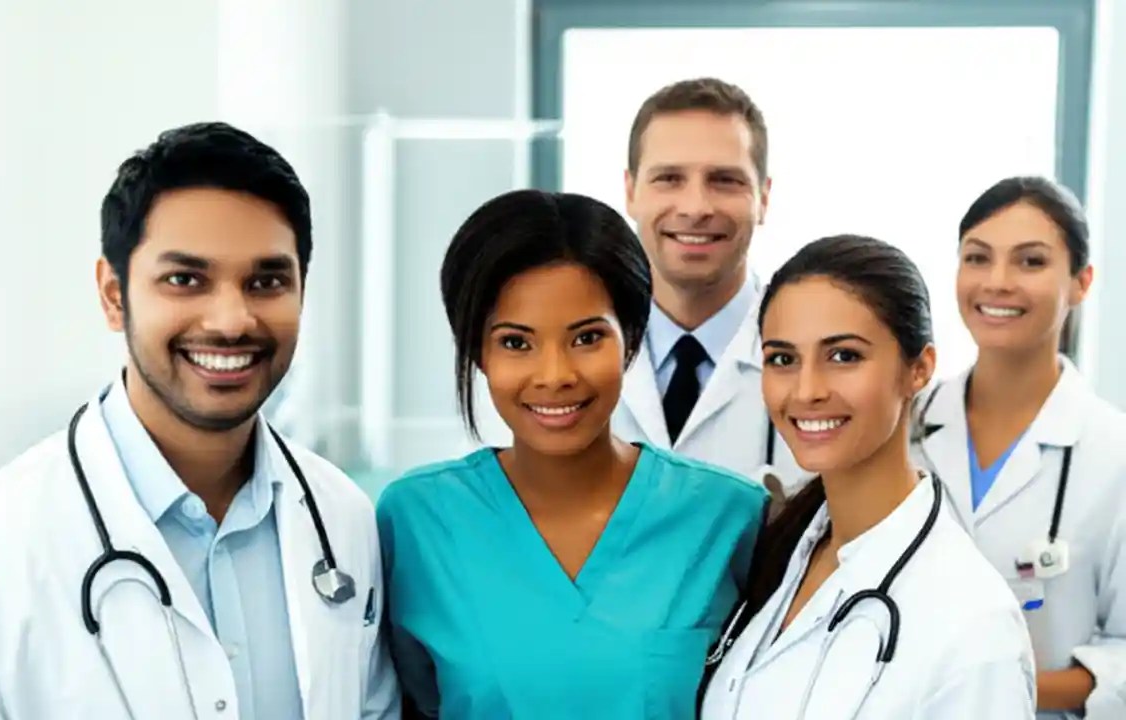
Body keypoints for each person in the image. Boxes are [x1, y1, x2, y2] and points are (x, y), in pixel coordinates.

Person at [0, 123, 399, 720]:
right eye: (185, 280)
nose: (232, 319)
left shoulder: (342, 522)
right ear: (114, 296)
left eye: (266, 281)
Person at [377, 189, 767, 719]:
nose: (555, 375)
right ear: (476, 353)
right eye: (516, 343)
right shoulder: (416, 520)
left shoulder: (728, 518)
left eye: (586, 338)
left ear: (631, 342)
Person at [700, 235, 1035, 719]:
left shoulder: (973, 627)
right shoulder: (784, 550)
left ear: (918, 370)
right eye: (782, 359)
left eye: (844, 356)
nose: (807, 390)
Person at [911, 176, 1126, 719]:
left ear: (1081, 282)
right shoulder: (901, 426)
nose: (997, 282)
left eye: (1031, 262)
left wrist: (992, 694)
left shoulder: (1113, 455)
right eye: (977, 258)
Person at [614, 77, 806, 497]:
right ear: (631, 192)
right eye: (669, 178)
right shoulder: (579, 351)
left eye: (725, 180)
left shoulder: (814, 361)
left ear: (764, 198)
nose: (696, 208)